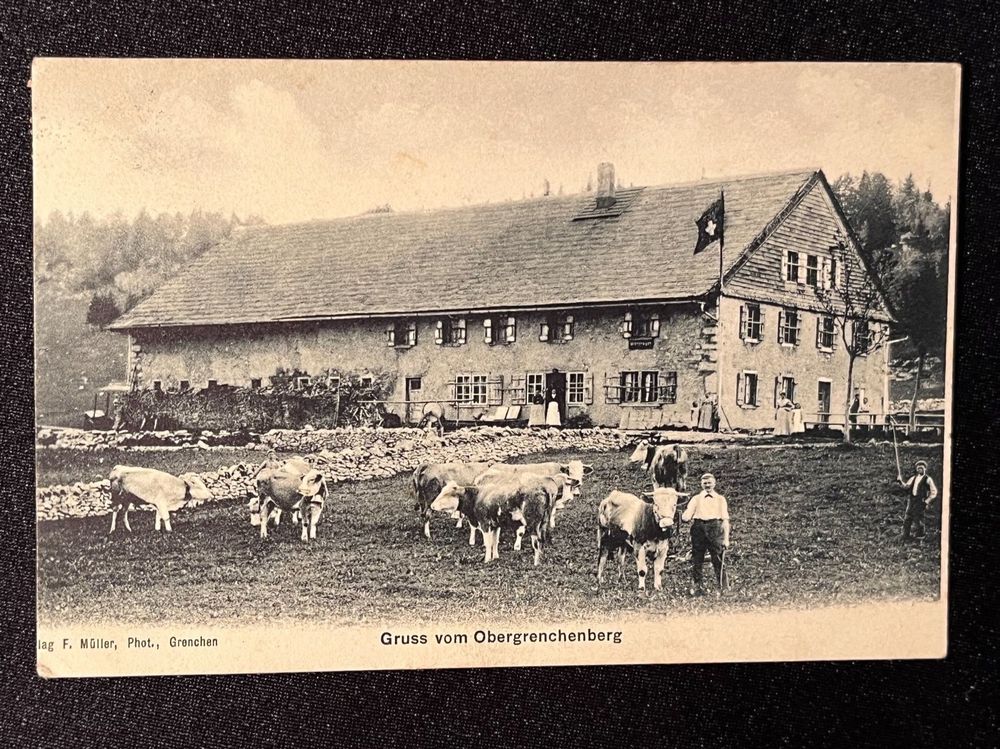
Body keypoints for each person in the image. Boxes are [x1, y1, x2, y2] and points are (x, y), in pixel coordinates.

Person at [681, 472, 731, 596]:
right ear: (701, 484)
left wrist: (726, 539)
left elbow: (725, 520)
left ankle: (723, 587)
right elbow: (687, 515)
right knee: (697, 559)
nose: (707, 485)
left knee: (717, 558)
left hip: (715, 528)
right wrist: (684, 516)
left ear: (714, 483)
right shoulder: (696, 499)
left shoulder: (720, 499)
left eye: (709, 483)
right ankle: (697, 587)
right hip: (698, 529)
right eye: (705, 483)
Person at [897, 460, 938, 541]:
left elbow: (934, 492)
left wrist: (927, 501)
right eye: (918, 468)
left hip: (920, 501)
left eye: (921, 468)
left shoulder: (928, 479)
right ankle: (906, 535)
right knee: (908, 517)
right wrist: (900, 481)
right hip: (912, 500)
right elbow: (906, 486)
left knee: (918, 518)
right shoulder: (913, 478)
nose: (919, 469)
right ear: (916, 469)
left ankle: (920, 536)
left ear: (925, 469)